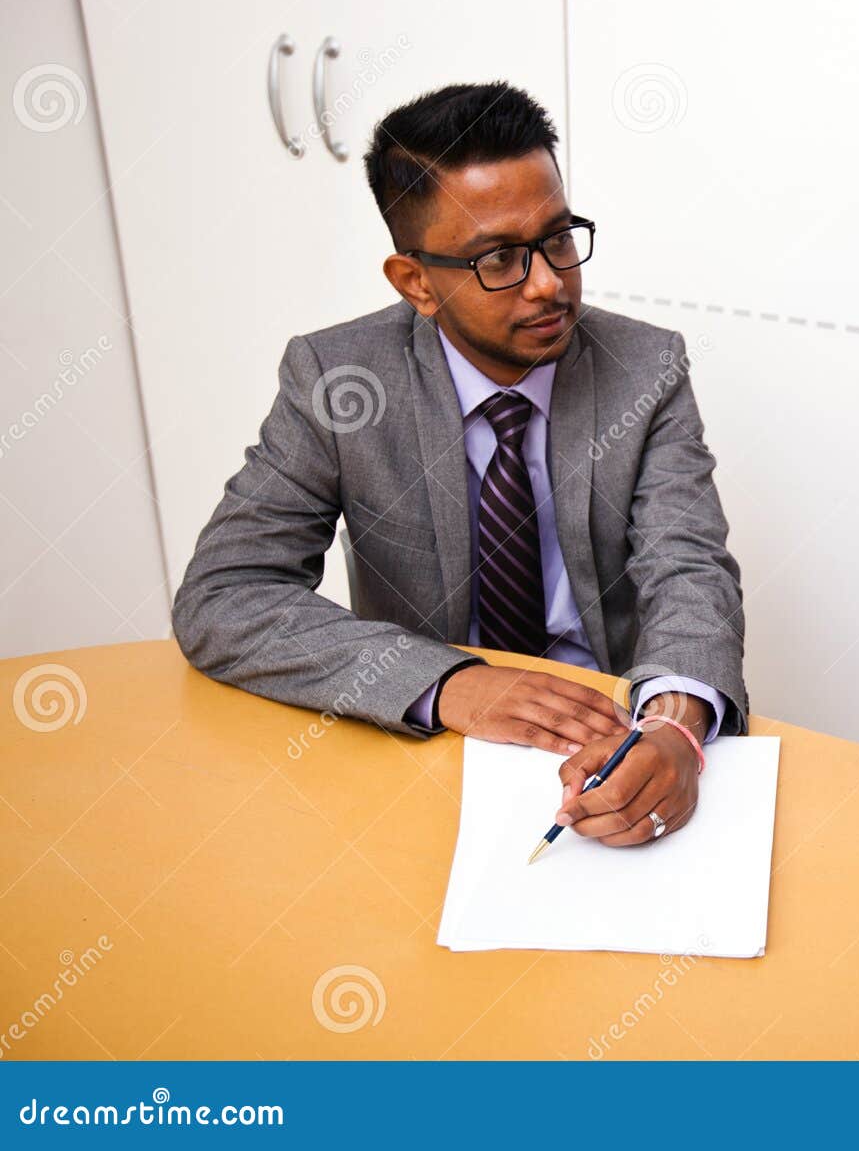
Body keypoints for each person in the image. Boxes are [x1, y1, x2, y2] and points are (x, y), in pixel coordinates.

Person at [173, 82, 746, 845]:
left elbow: (690, 571)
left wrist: (673, 727)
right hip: (422, 740)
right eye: (500, 258)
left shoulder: (645, 367)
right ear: (416, 283)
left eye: (559, 238)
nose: (548, 281)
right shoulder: (339, 381)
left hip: (609, 734)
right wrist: (449, 683)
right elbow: (225, 594)